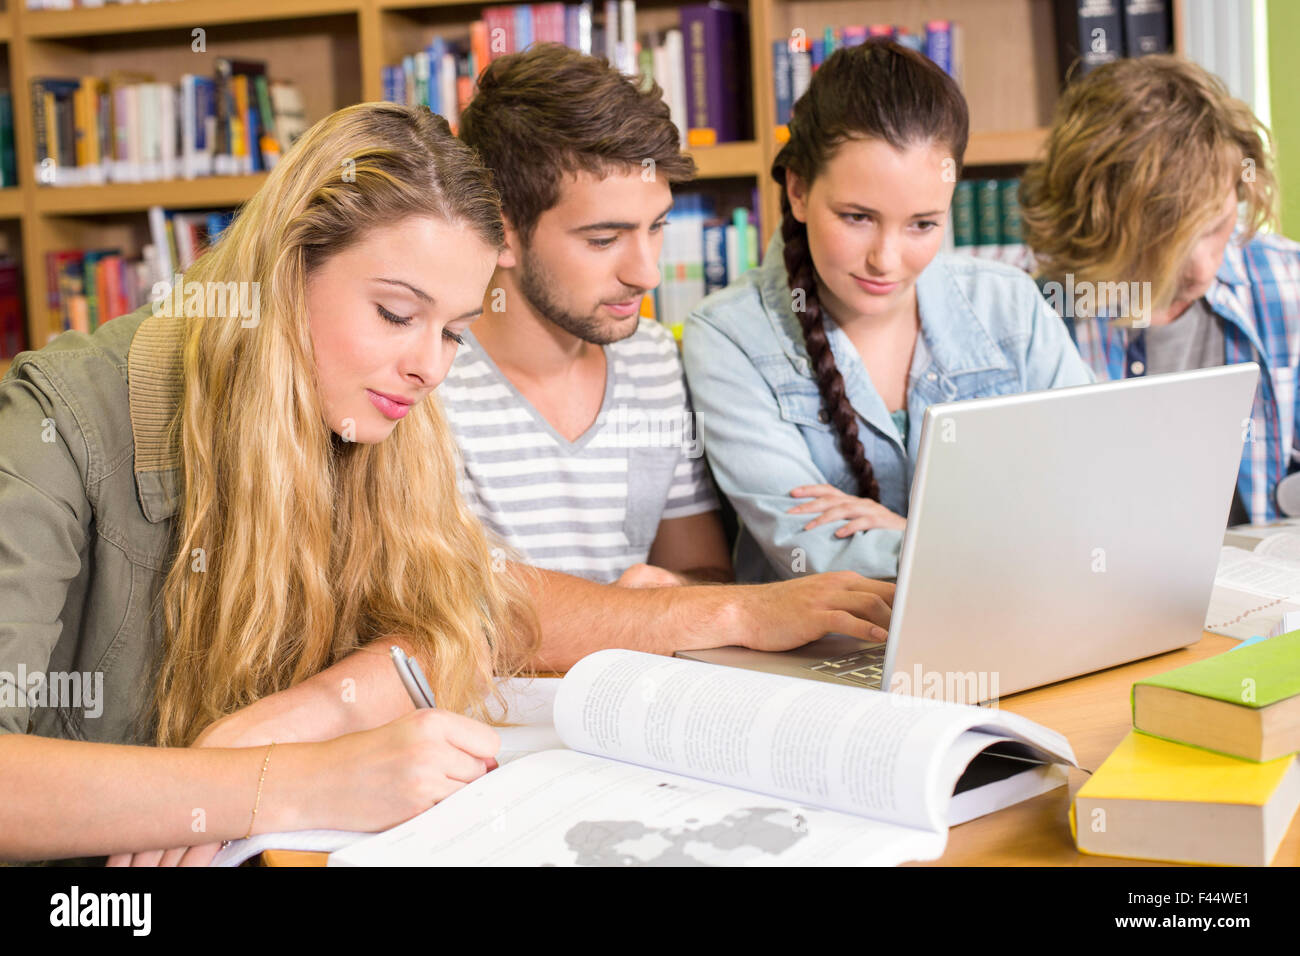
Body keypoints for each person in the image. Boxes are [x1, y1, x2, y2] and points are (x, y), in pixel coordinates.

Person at [0, 102, 890, 866]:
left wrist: (317, 709)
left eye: (456, 330)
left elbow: (457, 617)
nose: (429, 367)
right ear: (282, 270)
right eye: (395, 313)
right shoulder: (53, 426)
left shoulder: (377, 407)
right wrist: (287, 779)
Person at [681, 40, 1093, 583]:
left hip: (1009, 628)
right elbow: (814, 552)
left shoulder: (1011, 305)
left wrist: (905, 530)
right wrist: (982, 537)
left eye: (922, 224)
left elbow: (1090, 506)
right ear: (799, 190)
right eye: (857, 217)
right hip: (816, 658)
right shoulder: (725, 335)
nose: (886, 260)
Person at [445, 44, 726, 587]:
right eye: (604, 239)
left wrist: (676, 591)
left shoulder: (653, 358)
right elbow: (455, 618)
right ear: (499, 232)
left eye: (657, 226)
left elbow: (704, 572)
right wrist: (634, 617)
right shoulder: (424, 384)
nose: (647, 275)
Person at [1019, 54, 1300, 525]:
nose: (1202, 270)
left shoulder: (1290, 284)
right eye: (1168, 246)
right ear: (1102, 230)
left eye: (1216, 227)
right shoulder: (1039, 314)